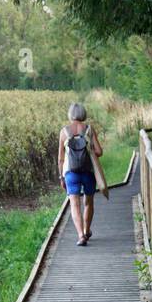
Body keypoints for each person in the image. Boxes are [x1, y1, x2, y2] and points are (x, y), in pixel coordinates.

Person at [58, 103, 104, 246]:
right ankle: (87, 230)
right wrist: (88, 148)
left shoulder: (64, 132)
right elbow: (99, 152)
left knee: (74, 204)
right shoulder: (89, 129)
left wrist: (61, 177)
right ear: (83, 114)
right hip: (88, 172)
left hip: (71, 173)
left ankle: (80, 235)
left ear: (70, 115)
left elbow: (60, 159)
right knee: (88, 202)